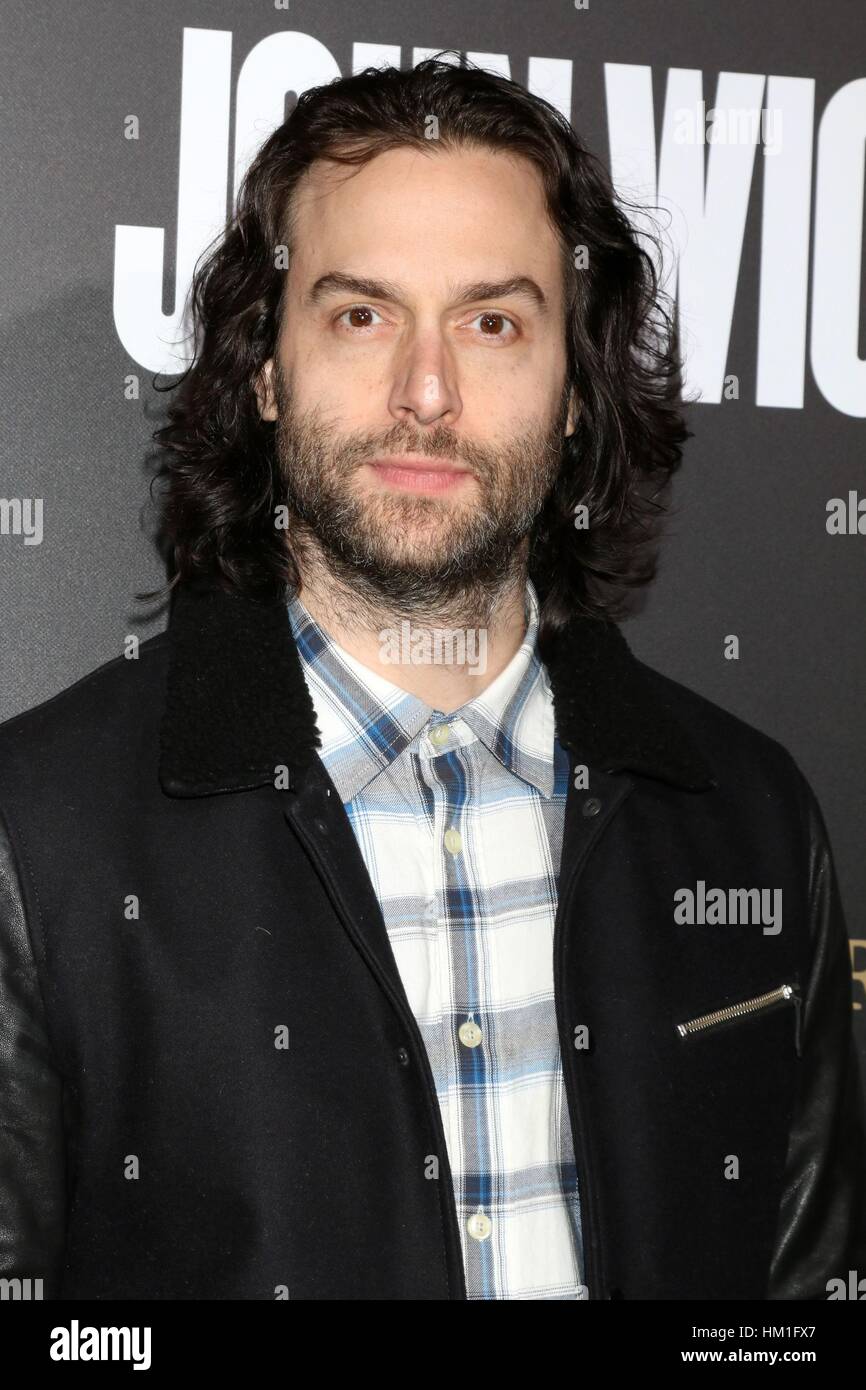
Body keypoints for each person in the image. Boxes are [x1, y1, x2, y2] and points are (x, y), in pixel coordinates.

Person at [0, 55, 864, 1302]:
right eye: (360, 313)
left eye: (492, 321)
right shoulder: (41, 833)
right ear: (262, 364)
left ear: (574, 389)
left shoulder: (746, 815)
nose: (425, 391)